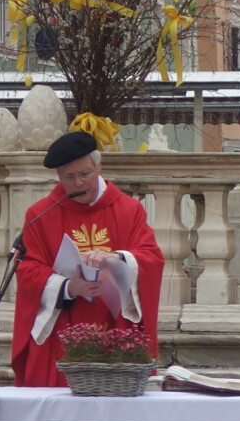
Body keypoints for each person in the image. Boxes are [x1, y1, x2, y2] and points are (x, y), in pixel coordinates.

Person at [13, 132, 165, 387]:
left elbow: (151, 257)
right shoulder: (40, 214)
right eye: (69, 177)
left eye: (85, 174)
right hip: (63, 329)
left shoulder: (128, 210)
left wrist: (117, 258)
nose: (78, 183)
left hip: (116, 326)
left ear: (98, 167)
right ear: (59, 176)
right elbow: (28, 270)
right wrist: (68, 287)